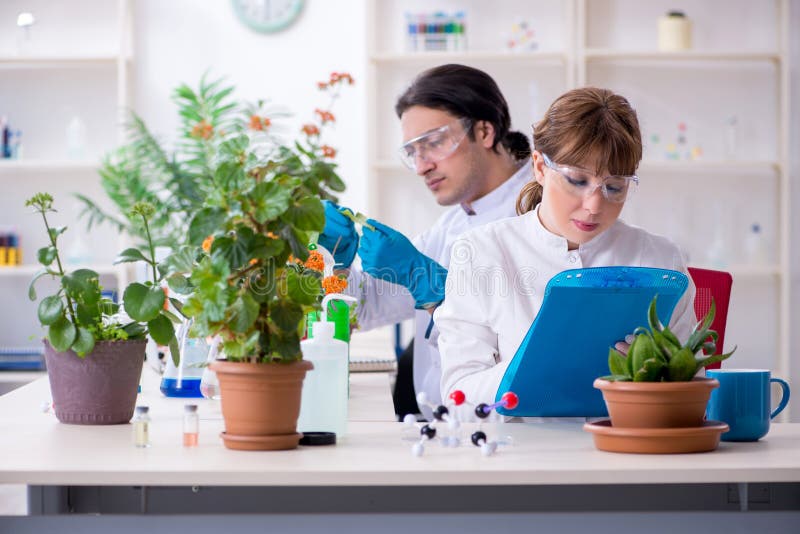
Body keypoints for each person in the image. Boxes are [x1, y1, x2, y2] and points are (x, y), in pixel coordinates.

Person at [435, 87, 698, 420]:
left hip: (630, 454)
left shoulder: (660, 260)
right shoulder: (482, 252)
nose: (593, 205)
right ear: (540, 167)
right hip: (521, 458)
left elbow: (694, 390)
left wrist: (660, 377)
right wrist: (529, 368)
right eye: (577, 180)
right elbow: (459, 398)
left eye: (614, 187)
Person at [318, 64, 532, 418]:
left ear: (484, 131)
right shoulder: (454, 222)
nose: (422, 167)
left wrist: (436, 288)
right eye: (413, 152)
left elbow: (523, 344)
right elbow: (366, 307)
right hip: (441, 423)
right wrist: (337, 263)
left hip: (504, 426)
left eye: (433, 143)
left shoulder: (540, 214)